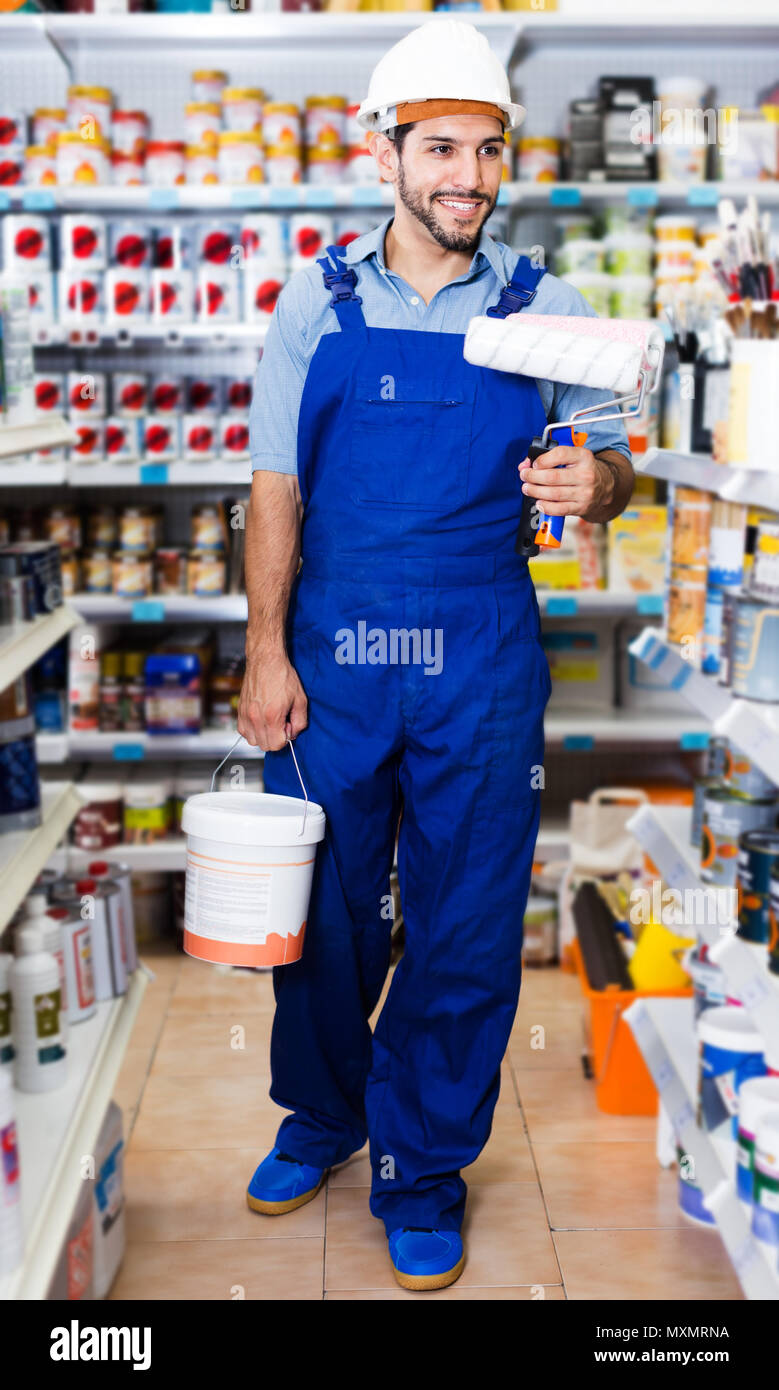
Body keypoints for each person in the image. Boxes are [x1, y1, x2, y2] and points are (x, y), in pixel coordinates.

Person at [239, 17, 632, 1292]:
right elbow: (275, 487)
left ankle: (421, 1165)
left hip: (480, 649)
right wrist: (263, 650)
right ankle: (324, 1111)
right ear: (386, 153)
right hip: (336, 647)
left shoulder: (546, 306)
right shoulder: (318, 299)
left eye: (489, 150)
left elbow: (611, 464)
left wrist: (596, 480)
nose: (470, 176)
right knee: (323, 900)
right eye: (443, 149)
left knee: (463, 912)